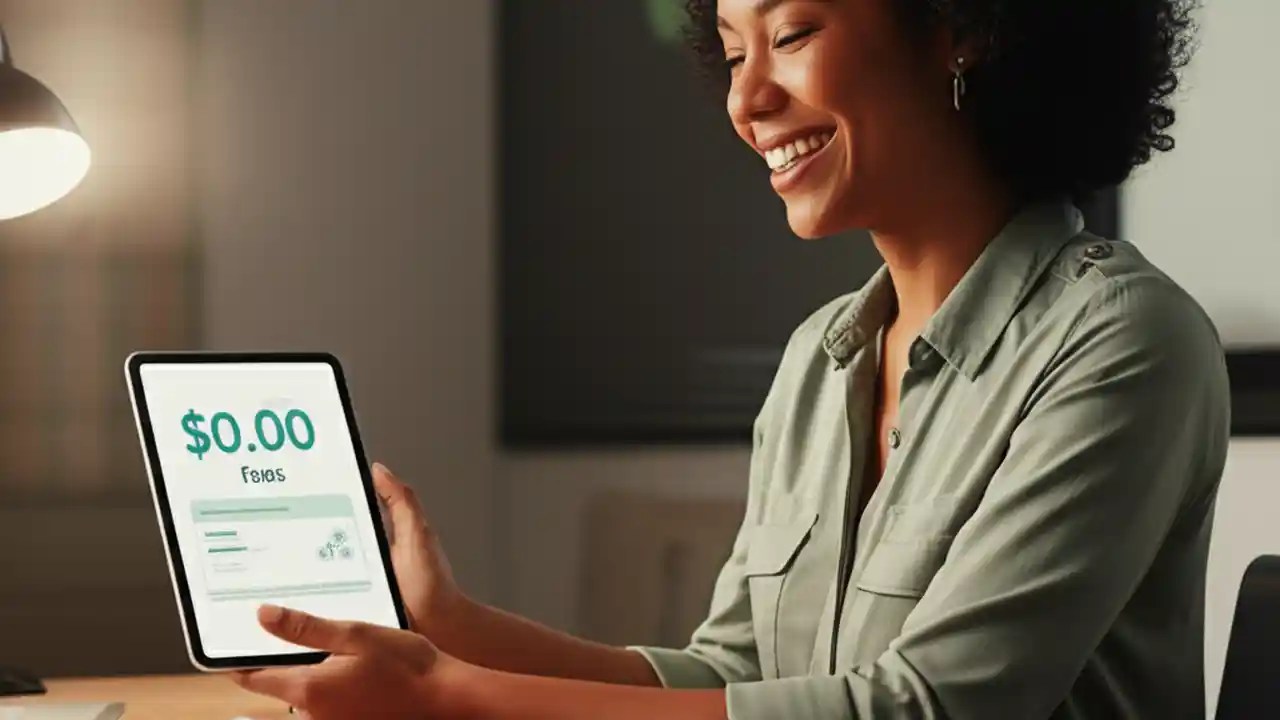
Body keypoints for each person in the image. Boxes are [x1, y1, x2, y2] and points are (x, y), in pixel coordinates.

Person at [234, 0, 1224, 717]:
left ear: (961, 27)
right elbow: (735, 679)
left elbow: (932, 709)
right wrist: (450, 630)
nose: (745, 100)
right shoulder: (818, 360)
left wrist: (451, 698)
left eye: (790, 36)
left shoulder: (1121, 340)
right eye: (728, 51)